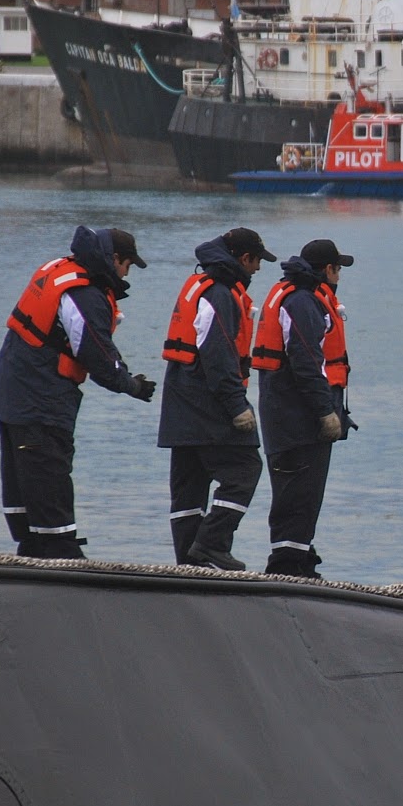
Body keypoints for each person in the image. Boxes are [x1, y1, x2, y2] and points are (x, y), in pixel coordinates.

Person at [0, 226, 155, 559]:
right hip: (40, 403)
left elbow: (91, 346)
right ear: (115, 260)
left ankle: (35, 554)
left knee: (31, 503)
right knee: (51, 489)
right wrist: (131, 385)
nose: (127, 273)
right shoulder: (85, 292)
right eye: (127, 265)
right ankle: (61, 557)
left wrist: (121, 371)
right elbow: (96, 354)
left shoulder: (60, 270)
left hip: (15, 396)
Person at [158, 228, 276, 570]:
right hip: (206, 401)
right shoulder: (221, 294)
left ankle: (188, 563)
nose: (257, 270)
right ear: (244, 258)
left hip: (179, 402)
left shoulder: (200, 284)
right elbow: (218, 354)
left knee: (189, 485)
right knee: (245, 469)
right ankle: (211, 546)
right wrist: (237, 406)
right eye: (256, 262)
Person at [253, 238, 355, 579]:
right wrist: (325, 411)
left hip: (289, 413)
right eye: (338, 269)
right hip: (297, 419)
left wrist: (338, 411)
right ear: (328, 269)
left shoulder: (296, 297)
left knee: (301, 495)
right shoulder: (303, 301)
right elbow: (307, 362)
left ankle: (300, 559)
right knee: (298, 493)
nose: (339, 276)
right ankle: (287, 566)